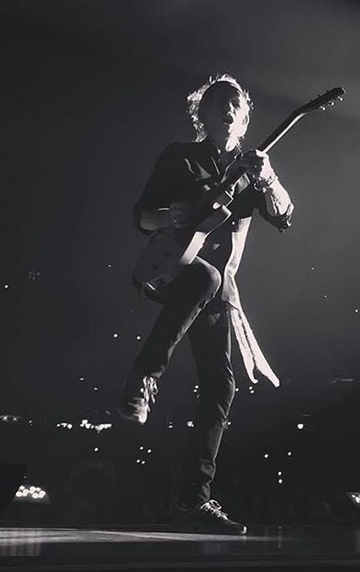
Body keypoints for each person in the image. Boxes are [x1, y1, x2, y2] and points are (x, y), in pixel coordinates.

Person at [117, 73, 294, 534]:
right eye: (218, 103)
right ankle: (143, 375)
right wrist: (169, 215)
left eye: (235, 104)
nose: (227, 110)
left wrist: (268, 176)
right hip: (171, 270)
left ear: (245, 116)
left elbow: (284, 216)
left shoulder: (251, 169)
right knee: (205, 275)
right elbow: (142, 217)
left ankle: (192, 500)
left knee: (221, 387)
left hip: (216, 290)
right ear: (203, 114)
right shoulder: (180, 156)